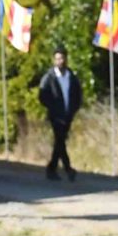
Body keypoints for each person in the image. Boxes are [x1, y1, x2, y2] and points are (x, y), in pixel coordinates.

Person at [37, 48, 82, 181]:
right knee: (60, 139)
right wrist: (52, 108)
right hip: (55, 116)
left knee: (60, 141)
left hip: (68, 115)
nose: (60, 61)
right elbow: (42, 95)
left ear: (66, 59)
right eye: (57, 59)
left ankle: (52, 168)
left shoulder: (71, 77)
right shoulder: (49, 77)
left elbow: (78, 95)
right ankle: (68, 169)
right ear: (54, 60)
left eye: (62, 58)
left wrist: (73, 109)